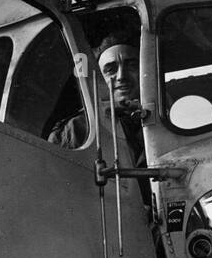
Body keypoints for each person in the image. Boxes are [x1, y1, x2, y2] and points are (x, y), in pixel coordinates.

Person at [47, 30, 146, 164]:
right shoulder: (76, 129)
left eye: (132, 66)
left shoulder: (166, 117)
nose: (121, 76)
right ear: (99, 80)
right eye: (110, 70)